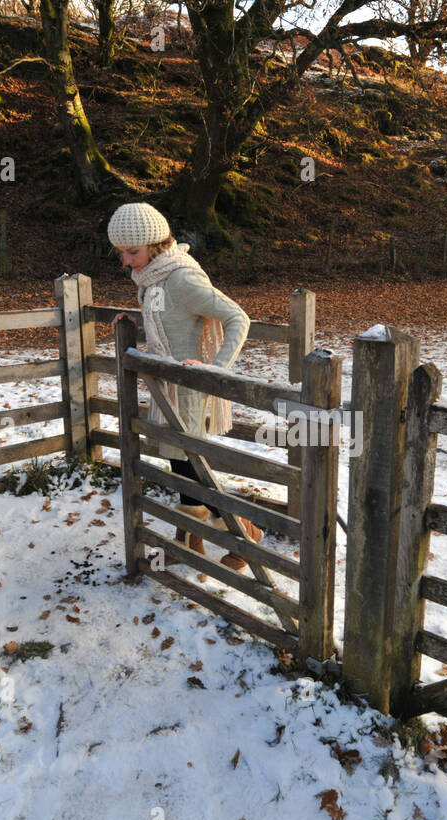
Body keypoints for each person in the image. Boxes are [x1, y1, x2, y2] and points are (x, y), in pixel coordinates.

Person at [108, 202, 263, 574]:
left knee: (194, 465)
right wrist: (135, 321)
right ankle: (190, 538)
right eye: (122, 253)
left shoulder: (179, 278)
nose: (127, 262)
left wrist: (214, 370)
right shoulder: (151, 280)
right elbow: (169, 326)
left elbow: (237, 317)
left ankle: (245, 533)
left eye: (133, 252)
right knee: (179, 462)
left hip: (188, 389)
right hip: (165, 385)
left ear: (155, 245)